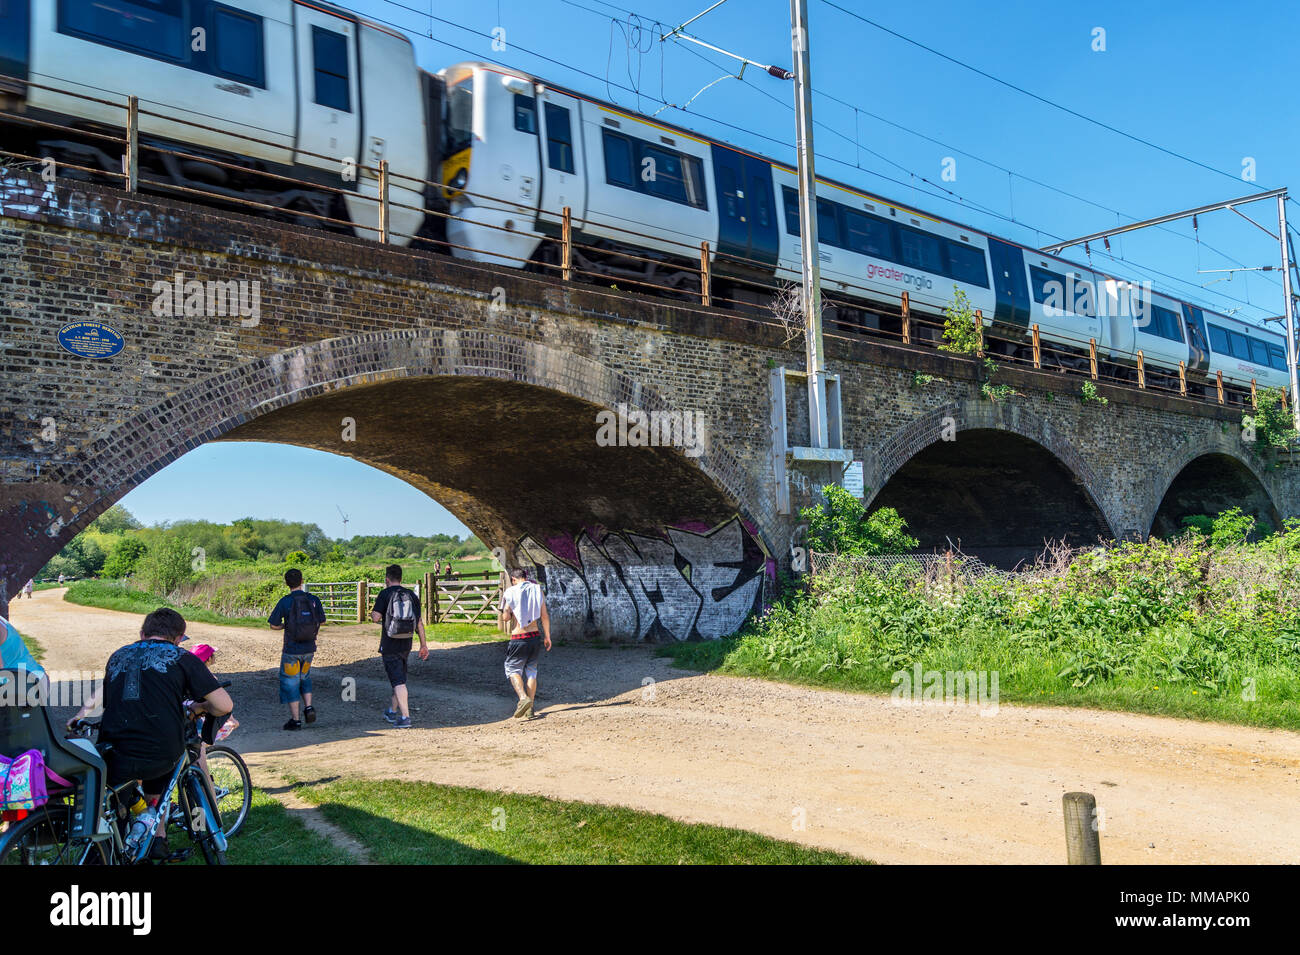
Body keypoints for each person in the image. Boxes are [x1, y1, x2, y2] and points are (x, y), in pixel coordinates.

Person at [68, 608, 232, 854]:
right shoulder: (181, 657)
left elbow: (103, 695)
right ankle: (157, 837)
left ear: (142, 633)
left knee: (118, 800)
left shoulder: (119, 655)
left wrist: (80, 715)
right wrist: (199, 708)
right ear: (178, 638)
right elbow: (224, 705)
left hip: (114, 750)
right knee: (163, 770)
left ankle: (127, 844)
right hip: (161, 752)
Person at [370, 564, 428, 729]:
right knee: (399, 678)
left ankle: (405, 717)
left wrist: (374, 612)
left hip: (389, 643)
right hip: (406, 643)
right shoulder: (411, 595)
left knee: (398, 682)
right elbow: (419, 623)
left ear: (387, 579)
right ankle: (391, 711)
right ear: (401, 578)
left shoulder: (385, 593)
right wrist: (424, 645)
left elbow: (375, 618)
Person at [267, 568, 325, 731]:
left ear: (286, 583)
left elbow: (273, 625)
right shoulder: (313, 599)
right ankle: (308, 707)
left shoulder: (285, 601)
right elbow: (322, 620)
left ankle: (296, 720)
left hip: (291, 650)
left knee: (291, 682)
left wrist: (287, 626)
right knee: (304, 677)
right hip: (309, 648)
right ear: (302, 581)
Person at [498, 567, 551, 719]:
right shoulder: (537, 589)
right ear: (525, 577)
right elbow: (544, 616)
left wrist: (505, 611)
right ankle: (530, 708)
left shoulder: (510, 591)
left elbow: (506, 618)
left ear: (513, 579)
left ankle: (523, 698)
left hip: (518, 638)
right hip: (535, 636)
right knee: (531, 671)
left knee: (512, 668)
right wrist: (547, 636)